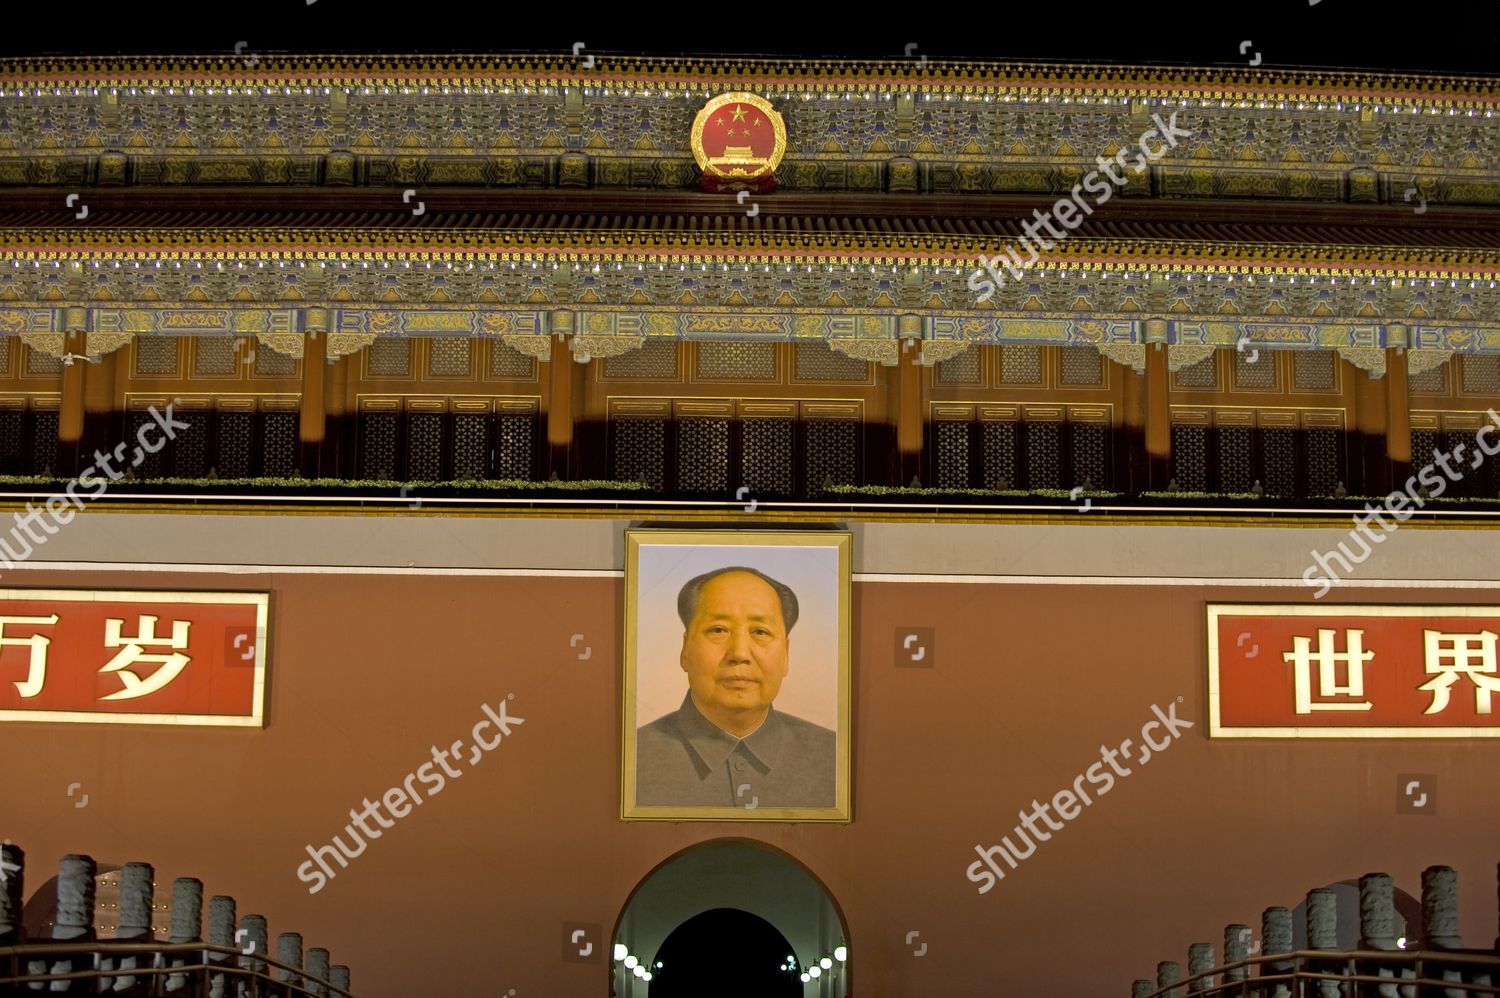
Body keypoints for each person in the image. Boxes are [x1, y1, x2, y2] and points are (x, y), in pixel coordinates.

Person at [636, 566, 836, 808]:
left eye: (760, 632)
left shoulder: (835, 758)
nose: (739, 653)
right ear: (685, 650)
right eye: (719, 630)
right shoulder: (633, 758)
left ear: (786, 655)